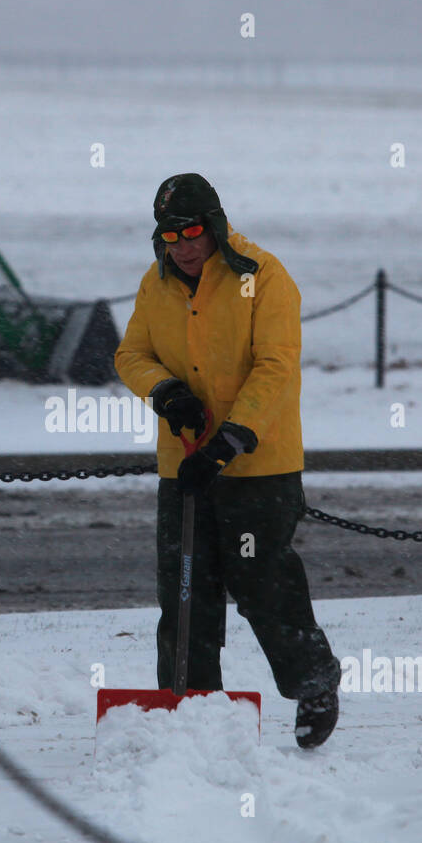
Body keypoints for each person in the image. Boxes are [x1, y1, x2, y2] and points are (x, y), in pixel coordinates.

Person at [114, 172, 341, 748]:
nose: (183, 246)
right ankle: (191, 707)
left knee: (264, 585)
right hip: (186, 466)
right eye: (170, 235)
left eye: (192, 231)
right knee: (185, 592)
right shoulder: (156, 283)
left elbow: (275, 364)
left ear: (213, 225)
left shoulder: (262, 277)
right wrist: (165, 392)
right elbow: (131, 353)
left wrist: (232, 437)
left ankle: (313, 682)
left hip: (257, 468)